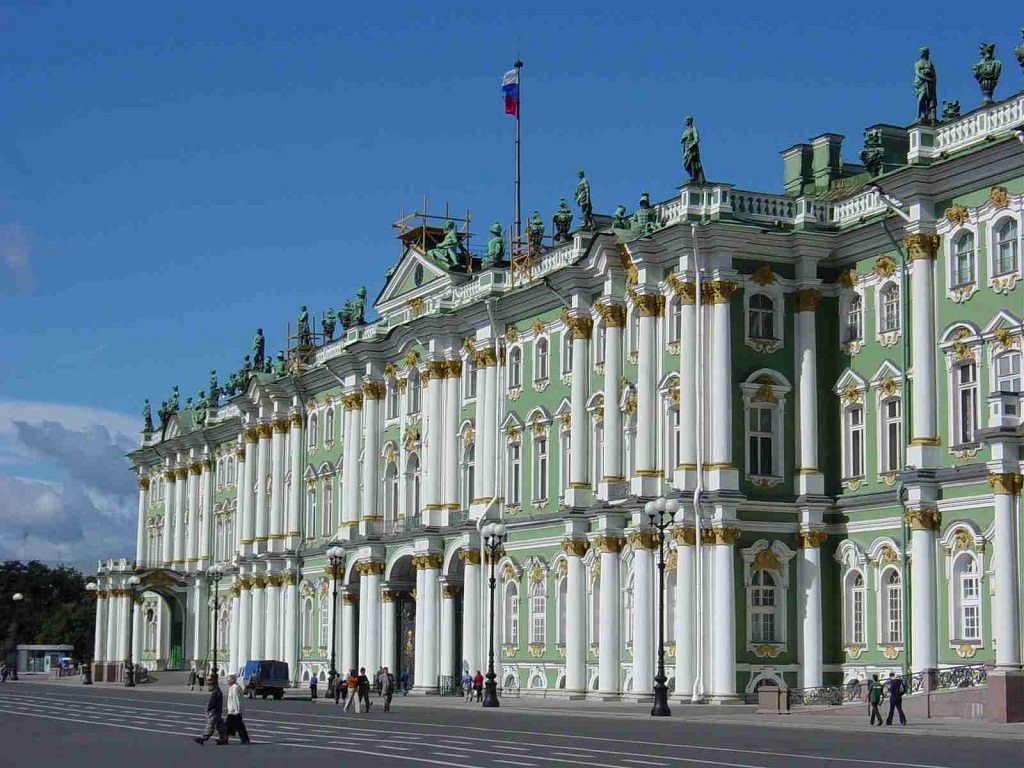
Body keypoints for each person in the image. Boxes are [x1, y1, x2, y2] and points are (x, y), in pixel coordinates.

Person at [194, 675, 227, 746]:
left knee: (210, 725)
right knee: (220, 725)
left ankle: (203, 739)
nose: (209, 687)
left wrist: (208, 709)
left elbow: (212, 702)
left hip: (214, 711)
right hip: (218, 711)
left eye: (209, 685)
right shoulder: (218, 690)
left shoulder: (215, 692)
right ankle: (223, 738)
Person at [224, 674, 250, 745]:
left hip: (234, 711)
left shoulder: (235, 688)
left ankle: (224, 739)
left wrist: (237, 711)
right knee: (239, 726)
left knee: (227, 725)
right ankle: (245, 740)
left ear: (232, 680)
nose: (227, 682)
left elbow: (237, 700)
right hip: (234, 711)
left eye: (228, 680)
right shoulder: (232, 687)